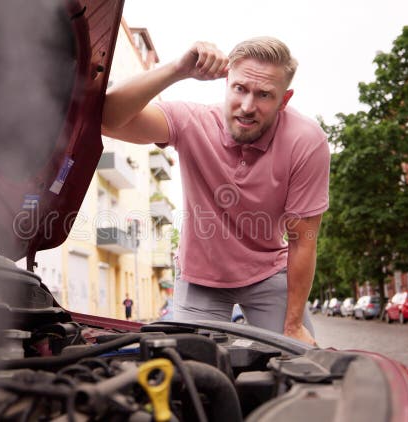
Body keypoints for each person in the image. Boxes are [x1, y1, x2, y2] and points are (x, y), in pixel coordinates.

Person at [102, 37, 329, 346]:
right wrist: (178, 69)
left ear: (284, 100)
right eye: (240, 89)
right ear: (227, 82)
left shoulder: (306, 141)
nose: (248, 107)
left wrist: (292, 326)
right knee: (192, 377)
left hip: (268, 271)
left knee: (297, 361)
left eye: (264, 95)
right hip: (200, 278)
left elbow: (303, 241)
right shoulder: (192, 122)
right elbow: (107, 119)